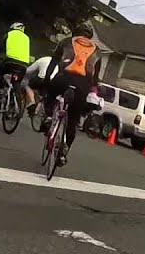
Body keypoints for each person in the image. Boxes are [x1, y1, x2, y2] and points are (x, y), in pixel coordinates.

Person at [42, 22, 102, 166]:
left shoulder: (66, 42)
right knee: (73, 121)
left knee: (51, 93)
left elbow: (53, 63)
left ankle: (49, 117)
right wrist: (92, 92)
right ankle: (63, 153)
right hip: (83, 85)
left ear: (75, 32)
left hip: (64, 78)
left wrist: (47, 80)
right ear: (89, 36)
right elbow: (95, 78)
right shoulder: (97, 50)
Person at [0, 22, 32, 87]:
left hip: (10, 61)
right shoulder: (27, 38)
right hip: (24, 65)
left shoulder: (9, 34)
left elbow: (1, 48)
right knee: (16, 84)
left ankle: (1, 88)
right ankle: (14, 91)